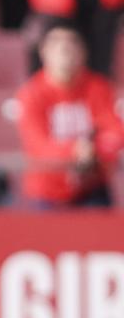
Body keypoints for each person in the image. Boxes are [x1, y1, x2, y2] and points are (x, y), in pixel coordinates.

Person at [12, 22, 124, 208]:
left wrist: (95, 149)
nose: (65, 49)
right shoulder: (31, 94)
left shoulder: (98, 88)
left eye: (72, 42)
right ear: (43, 51)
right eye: (57, 43)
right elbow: (37, 145)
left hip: (91, 188)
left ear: (84, 51)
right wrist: (74, 151)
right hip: (45, 193)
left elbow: (115, 133)